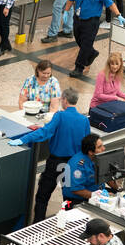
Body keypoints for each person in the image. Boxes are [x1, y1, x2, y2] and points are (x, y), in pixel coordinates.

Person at [15, 84, 89, 222]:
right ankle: (67, 223)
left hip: (56, 162)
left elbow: (45, 132)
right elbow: (87, 145)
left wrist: (23, 139)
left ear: (65, 100)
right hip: (73, 164)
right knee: (69, 197)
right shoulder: (84, 120)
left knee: (43, 196)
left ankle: (37, 225)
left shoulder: (60, 116)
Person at [65, 0, 122, 74]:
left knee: (86, 44)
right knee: (79, 40)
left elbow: (110, 3)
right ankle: (92, 53)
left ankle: (79, 68)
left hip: (91, 21)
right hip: (78, 19)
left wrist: (118, 15)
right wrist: (66, 11)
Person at [64, 132, 104, 206]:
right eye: (99, 147)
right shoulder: (78, 166)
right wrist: (98, 196)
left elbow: (107, 175)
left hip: (96, 193)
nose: (103, 149)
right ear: (91, 152)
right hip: (77, 200)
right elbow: (77, 190)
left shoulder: (97, 157)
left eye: (102, 145)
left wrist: (118, 190)